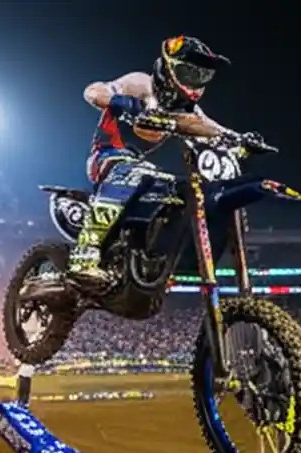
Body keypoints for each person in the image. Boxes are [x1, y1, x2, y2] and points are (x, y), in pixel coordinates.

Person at [67, 35, 234, 288]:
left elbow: (210, 127)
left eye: (202, 75)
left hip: (142, 165)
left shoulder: (185, 111)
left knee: (180, 190)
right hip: (108, 156)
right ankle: (84, 255)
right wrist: (117, 100)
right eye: (189, 72)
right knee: (132, 172)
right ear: (169, 68)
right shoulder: (141, 83)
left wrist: (239, 139)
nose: (195, 80)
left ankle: (157, 257)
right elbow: (93, 91)